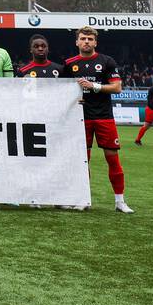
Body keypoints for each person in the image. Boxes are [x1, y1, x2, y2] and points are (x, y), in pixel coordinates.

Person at [62, 27, 132, 213]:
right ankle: (84, 199)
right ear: (77, 42)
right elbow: (62, 91)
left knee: (112, 158)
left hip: (104, 117)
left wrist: (93, 86)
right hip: (80, 118)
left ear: (95, 42)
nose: (86, 41)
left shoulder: (107, 61)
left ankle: (120, 201)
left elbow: (117, 88)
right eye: (83, 38)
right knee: (83, 161)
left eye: (90, 39)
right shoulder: (69, 64)